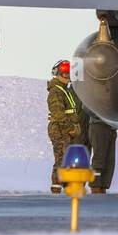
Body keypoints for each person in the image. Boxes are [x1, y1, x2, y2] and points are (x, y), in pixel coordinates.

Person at [46, 59, 85, 194]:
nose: (67, 76)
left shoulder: (64, 90)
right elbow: (58, 113)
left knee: (66, 159)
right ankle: (56, 188)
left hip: (65, 131)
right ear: (56, 73)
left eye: (69, 73)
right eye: (64, 73)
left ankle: (65, 186)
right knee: (61, 159)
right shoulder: (56, 91)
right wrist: (71, 128)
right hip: (60, 130)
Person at [87, 114, 117, 194]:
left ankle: (102, 189)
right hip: (99, 125)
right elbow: (86, 107)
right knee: (99, 160)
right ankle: (95, 188)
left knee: (109, 162)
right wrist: (101, 115)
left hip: (111, 127)